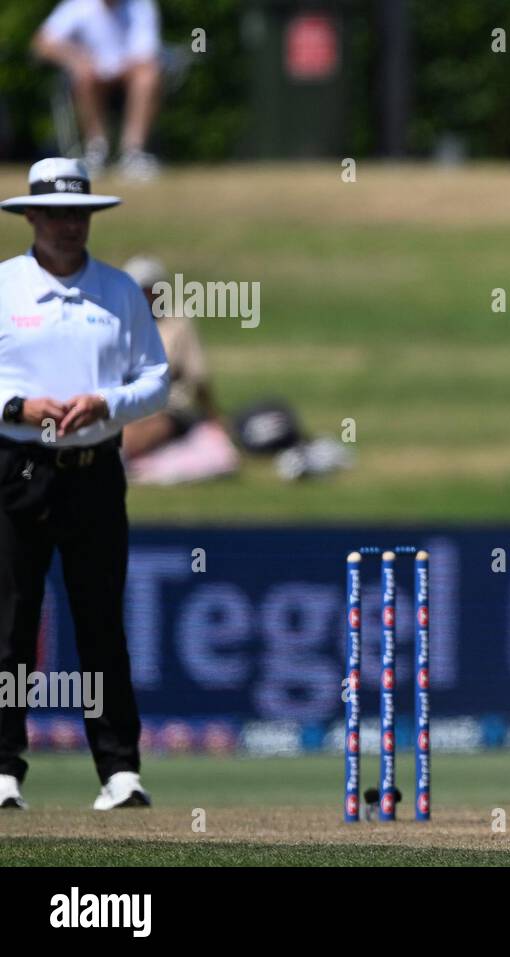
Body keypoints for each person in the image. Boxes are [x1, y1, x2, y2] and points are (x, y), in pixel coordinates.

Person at [0, 158, 169, 811]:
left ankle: (120, 770)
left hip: (93, 468)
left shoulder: (119, 290)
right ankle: (5, 767)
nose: (69, 226)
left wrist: (106, 403)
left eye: (79, 214)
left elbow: (154, 379)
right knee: (12, 625)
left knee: (100, 620)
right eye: (56, 214)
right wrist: (21, 408)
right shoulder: (7, 287)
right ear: (32, 217)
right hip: (17, 468)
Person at [119, 255, 239, 485]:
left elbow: (198, 377)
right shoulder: (120, 324)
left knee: (146, 431)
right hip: (127, 406)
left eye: (147, 290)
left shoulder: (177, 324)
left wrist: (213, 416)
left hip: (169, 409)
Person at [32, 0, 163, 180]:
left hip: (128, 76)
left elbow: (144, 55)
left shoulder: (140, 6)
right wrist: (76, 57)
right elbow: (42, 43)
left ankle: (133, 152)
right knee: (84, 74)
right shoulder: (78, 5)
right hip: (92, 79)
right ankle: (96, 150)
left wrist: (112, 69)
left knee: (147, 76)